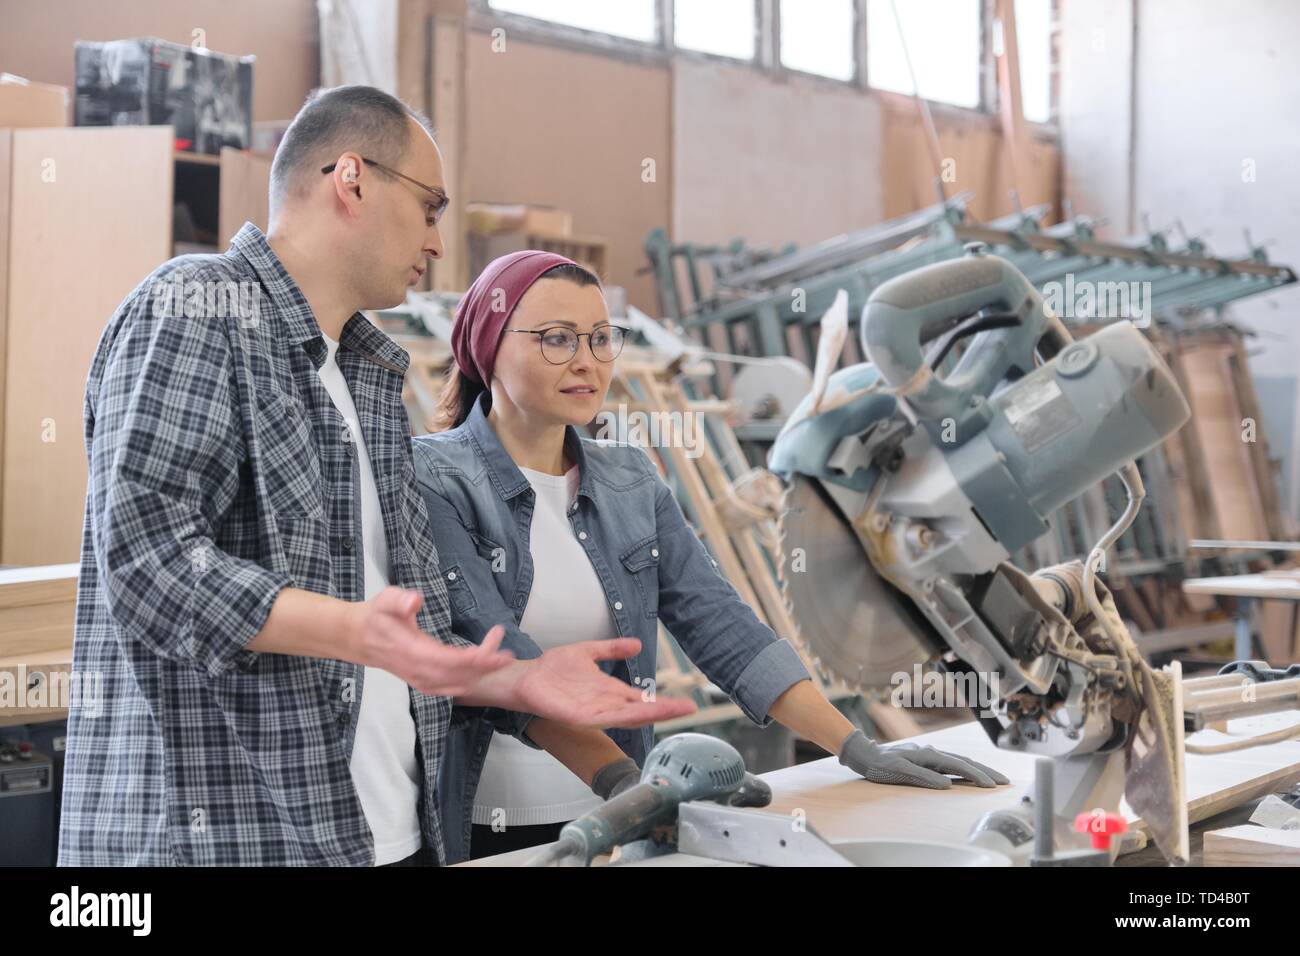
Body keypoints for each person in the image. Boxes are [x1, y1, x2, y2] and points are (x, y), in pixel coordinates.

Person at [58, 85, 692, 868]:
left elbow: (419, 637)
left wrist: (516, 680)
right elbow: (148, 563)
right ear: (351, 179)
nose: (437, 239)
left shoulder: (368, 381)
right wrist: (352, 629)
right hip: (236, 836)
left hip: (380, 833)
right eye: (430, 206)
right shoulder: (198, 307)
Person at [413, 250, 1010, 863]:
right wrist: (630, 784)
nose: (587, 361)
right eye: (557, 339)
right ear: (488, 345)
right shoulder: (435, 479)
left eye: (599, 338)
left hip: (621, 816)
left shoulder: (629, 481)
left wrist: (857, 748)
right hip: (493, 823)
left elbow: (722, 626)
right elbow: (506, 666)